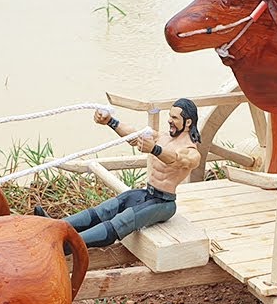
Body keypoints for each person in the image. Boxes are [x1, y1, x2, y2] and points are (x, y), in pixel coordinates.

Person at [36, 98, 202, 248]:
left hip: (164, 203)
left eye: (174, 118)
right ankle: (54, 226)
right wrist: (110, 121)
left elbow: (178, 160)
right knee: (106, 209)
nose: (169, 120)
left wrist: (154, 148)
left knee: (123, 220)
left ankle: (65, 245)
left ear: (187, 123)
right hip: (146, 193)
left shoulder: (191, 150)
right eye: (170, 116)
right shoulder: (164, 137)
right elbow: (133, 134)